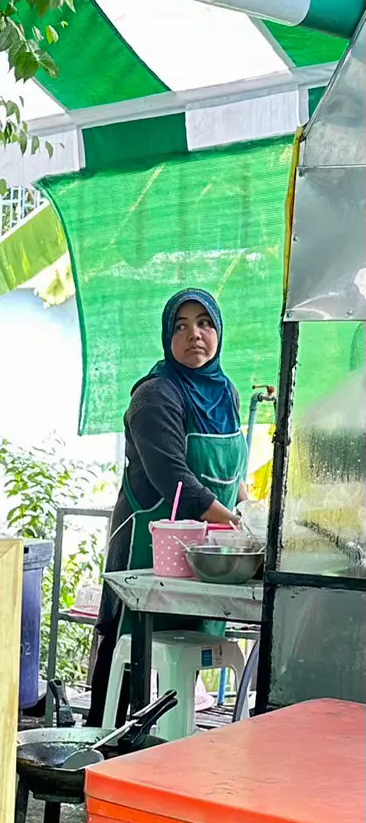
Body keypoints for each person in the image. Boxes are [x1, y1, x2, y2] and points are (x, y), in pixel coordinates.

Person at [88, 289, 249, 726]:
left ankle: (175, 746)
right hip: (149, 545)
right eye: (180, 325)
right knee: (131, 649)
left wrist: (245, 507)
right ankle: (106, 749)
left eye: (204, 323)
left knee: (188, 651)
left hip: (206, 554)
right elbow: (171, 476)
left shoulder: (226, 393)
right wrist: (232, 521)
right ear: (167, 336)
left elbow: (234, 474)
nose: (193, 334)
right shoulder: (157, 394)